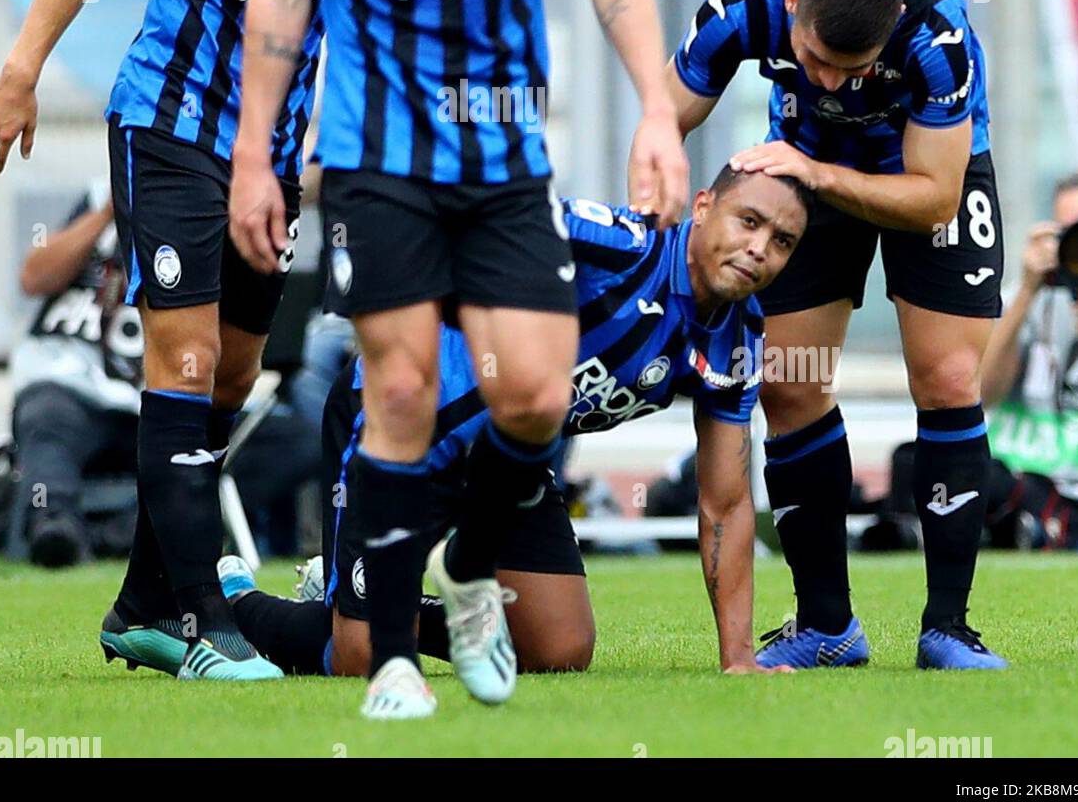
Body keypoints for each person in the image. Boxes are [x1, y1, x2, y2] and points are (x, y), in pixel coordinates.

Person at [230, 0, 688, 718]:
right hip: (374, 159)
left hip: (501, 161)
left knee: (531, 399)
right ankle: (391, 660)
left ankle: (470, 565)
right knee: (398, 386)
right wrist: (255, 156)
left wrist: (653, 109)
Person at [0, 0, 380, 682]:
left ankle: (143, 607)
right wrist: (21, 70)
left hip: (271, 159)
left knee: (231, 379)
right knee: (184, 364)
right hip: (169, 124)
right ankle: (207, 621)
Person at [211, 168, 810, 681]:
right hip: (403, 429)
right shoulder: (619, 245)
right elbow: (480, 224)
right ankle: (232, 599)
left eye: (782, 241)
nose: (760, 248)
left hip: (511, 462)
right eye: (748, 221)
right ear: (703, 207)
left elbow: (726, 504)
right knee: (358, 656)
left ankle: (361, 595)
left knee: (559, 649)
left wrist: (738, 658)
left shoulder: (739, 341)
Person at [668, 0, 1008, 670]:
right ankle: (827, 627)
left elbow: (932, 200)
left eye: (849, 68)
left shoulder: (934, 27)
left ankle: (947, 628)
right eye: (813, 59)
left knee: (948, 378)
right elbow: (663, 121)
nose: (827, 82)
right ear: (791, 3)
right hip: (800, 161)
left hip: (924, 171)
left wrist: (819, 179)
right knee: (789, 383)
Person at [979, 166, 1078, 546]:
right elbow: (982, 393)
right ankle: (1038, 529)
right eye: (1068, 233)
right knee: (931, 460)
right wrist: (1027, 292)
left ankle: (1042, 533)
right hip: (1027, 477)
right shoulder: (1028, 297)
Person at [11, 185, 142, 568]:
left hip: (156, 399)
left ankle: (122, 531)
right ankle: (55, 523)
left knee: (287, 439)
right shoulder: (100, 192)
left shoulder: (210, 199)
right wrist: (106, 214)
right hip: (71, 384)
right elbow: (33, 277)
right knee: (47, 414)